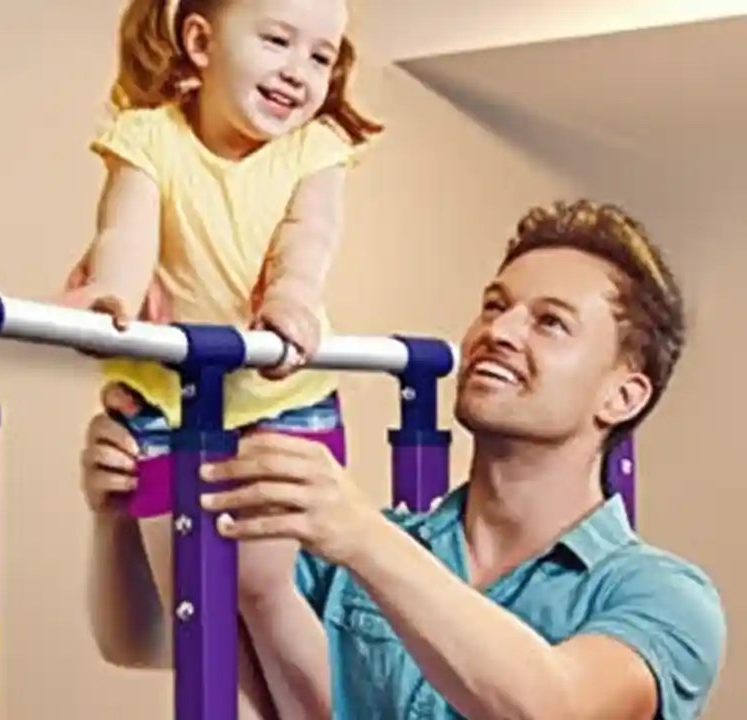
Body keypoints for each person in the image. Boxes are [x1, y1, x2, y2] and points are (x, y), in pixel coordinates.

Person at [79, 199, 728, 718]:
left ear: (624, 393)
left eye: (550, 322)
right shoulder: (359, 548)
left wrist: (360, 537)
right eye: (495, 307)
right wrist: (124, 513)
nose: (498, 332)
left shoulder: (664, 598)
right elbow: (153, 641)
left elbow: (553, 707)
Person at [57, 0, 381, 639]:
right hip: (163, 398)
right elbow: (125, 232)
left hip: (280, 394)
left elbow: (308, 237)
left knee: (261, 589)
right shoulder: (149, 137)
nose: (299, 71)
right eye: (277, 42)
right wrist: (111, 294)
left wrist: (289, 297)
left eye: (320, 57)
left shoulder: (315, 149)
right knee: (193, 604)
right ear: (201, 42)